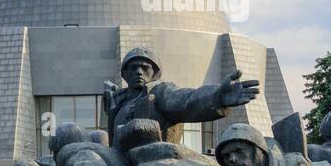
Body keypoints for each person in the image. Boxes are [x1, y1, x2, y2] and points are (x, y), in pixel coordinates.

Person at [104, 46, 259, 147]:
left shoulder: (160, 92)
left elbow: (188, 100)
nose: (138, 72)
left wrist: (217, 96)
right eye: (133, 68)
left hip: (151, 161)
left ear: (154, 72)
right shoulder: (119, 101)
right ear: (124, 73)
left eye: (144, 68)